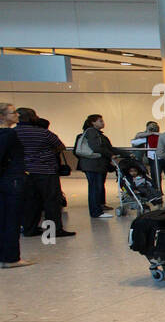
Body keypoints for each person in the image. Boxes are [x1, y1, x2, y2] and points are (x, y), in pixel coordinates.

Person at [16, 109, 71, 238]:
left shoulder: (14, 133)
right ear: (32, 118)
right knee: (51, 201)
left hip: (25, 172)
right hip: (46, 171)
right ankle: (52, 231)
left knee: (30, 202)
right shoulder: (43, 133)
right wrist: (48, 152)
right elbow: (60, 146)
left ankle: (29, 229)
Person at [0, 103, 32, 268]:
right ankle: (11, 258)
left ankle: (6, 255)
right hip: (12, 181)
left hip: (8, 180)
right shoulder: (8, 134)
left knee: (5, 219)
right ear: (3, 116)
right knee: (12, 219)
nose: (17, 115)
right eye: (13, 113)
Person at [75, 114, 124, 220]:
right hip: (93, 164)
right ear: (93, 122)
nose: (103, 123)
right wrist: (111, 155)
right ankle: (96, 211)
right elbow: (97, 147)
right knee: (95, 188)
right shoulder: (92, 132)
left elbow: (108, 147)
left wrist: (125, 153)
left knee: (97, 187)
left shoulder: (97, 134)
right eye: (100, 121)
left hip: (95, 165)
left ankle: (98, 208)